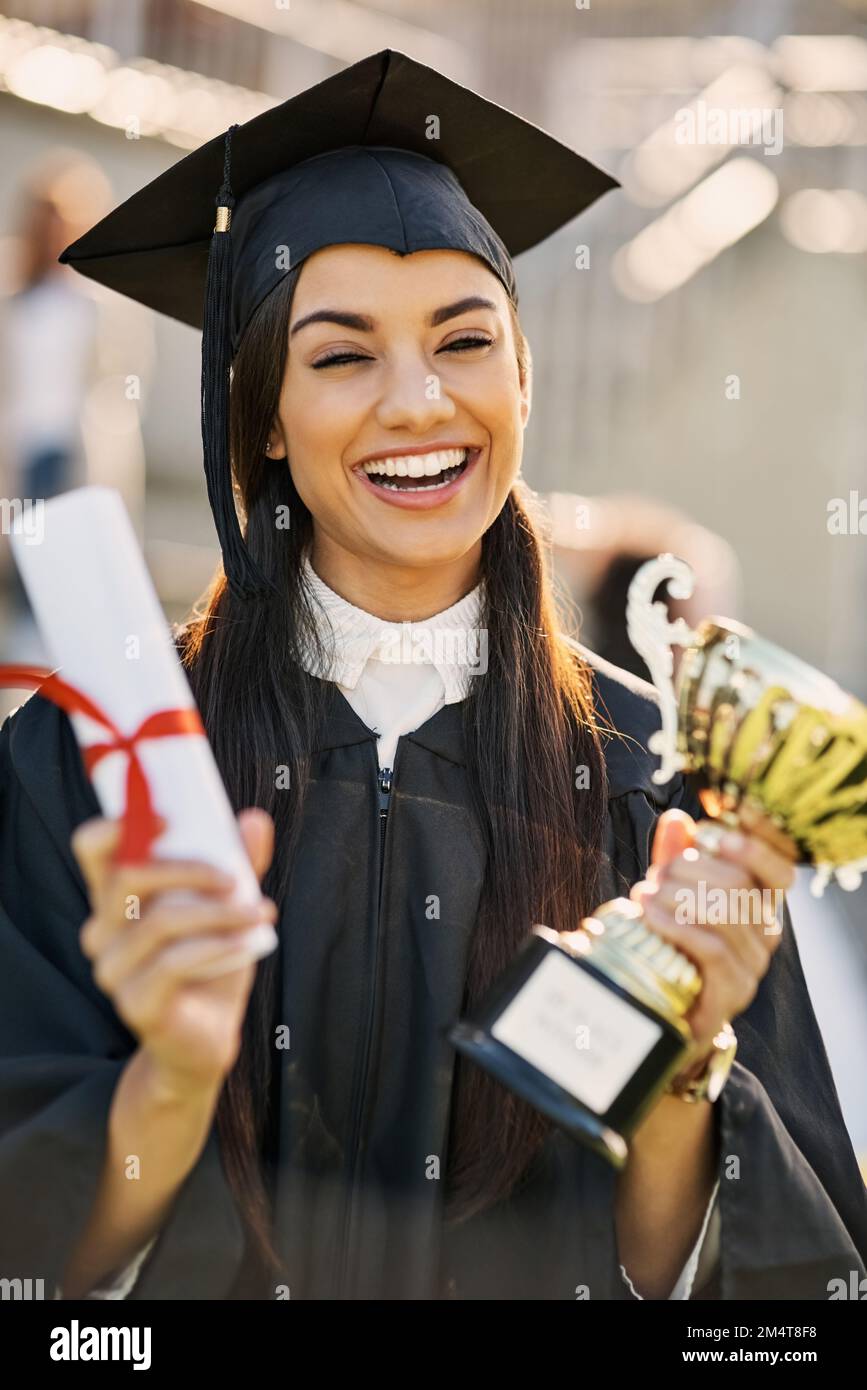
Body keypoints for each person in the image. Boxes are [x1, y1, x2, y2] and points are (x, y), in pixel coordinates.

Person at [0, 50, 864, 1302]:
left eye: (466, 341)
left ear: (523, 377)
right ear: (262, 419)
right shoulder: (96, 769)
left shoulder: (653, 780)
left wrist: (686, 1070)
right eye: (341, 356)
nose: (419, 401)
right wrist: (170, 1086)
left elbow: (764, 1297)